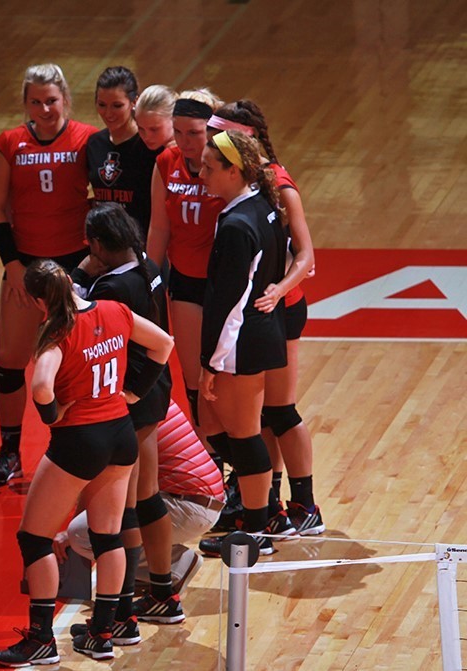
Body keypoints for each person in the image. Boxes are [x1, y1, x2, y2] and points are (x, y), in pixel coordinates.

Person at [0, 260, 173, 665]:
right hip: (121, 435)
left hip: (80, 441)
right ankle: (104, 632)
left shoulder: (55, 332)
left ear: (40, 301)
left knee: (34, 539)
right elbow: (163, 344)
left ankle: (40, 639)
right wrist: (135, 393)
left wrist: (52, 414)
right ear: (72, 283)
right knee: (109, 536)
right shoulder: (113, 309)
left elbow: (40, 386)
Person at [207, 100, 324, 536]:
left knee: (280, 410)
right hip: (257, 313)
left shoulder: (278, 183)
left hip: (281, 311)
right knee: (257, 419)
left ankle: (305, 504)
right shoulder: (240, 184)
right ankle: (268, 504)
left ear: (247, 139)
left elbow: (306, 254)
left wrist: (280, 288)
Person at [67, 202, 185, 628]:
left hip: (128, 400)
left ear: (98, 244)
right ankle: (162, 592)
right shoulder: (150, 266)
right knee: (148, 497)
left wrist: (80, 276)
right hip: (155, 392)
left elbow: (80, 320)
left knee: (124, 507)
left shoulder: (111, 292)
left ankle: (120, 610)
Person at [0, 63, 98, 486]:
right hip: (26, 267)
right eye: (36, 101)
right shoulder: (9, 143)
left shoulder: (87, 139)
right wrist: (12, 266)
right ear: (25, 103)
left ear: (65, 98)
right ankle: (9, 452)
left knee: (76, 361)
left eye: (52, 100)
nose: (45, 108)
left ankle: (78, 450)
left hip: (75, 266)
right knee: (9, 360)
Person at [195, 131, 288, 556]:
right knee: (229, 430)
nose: (202, 175)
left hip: (239, 342)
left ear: (234, 171)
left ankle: (256, 532)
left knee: (245, 436)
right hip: (259, 333)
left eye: (210, 168)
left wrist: (210, 364)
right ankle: (263, 516)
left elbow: (229, 302)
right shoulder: (260, 206)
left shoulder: (235, 224)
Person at [60, 400, 223, 597]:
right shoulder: (138, 395)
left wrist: (67, 534)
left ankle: (175, 564)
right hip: (202, 499)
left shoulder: (113, 408)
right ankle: (155, 572)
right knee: (124, 508)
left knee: (80, 533)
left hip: (186, 505)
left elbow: (100, 477)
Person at [146, 89, 225, 460]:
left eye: (194, 132)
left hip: (225, 284)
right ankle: (209, 458)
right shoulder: (166, 162)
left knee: (226, 377)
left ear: (211, 130)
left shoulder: (226, 164)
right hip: (186, 282)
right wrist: (146, 279)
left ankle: (239, 459)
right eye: (178, 132)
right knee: (194, 380)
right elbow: (159, 229)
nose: (185, 141)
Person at [87, 69, 175, 241]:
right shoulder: (94, 143)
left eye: (117, 105)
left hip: (145, 245)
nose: (108, 113)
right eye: (102, 104)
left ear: (134, 102)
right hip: (107, 246)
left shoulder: (153, 146)